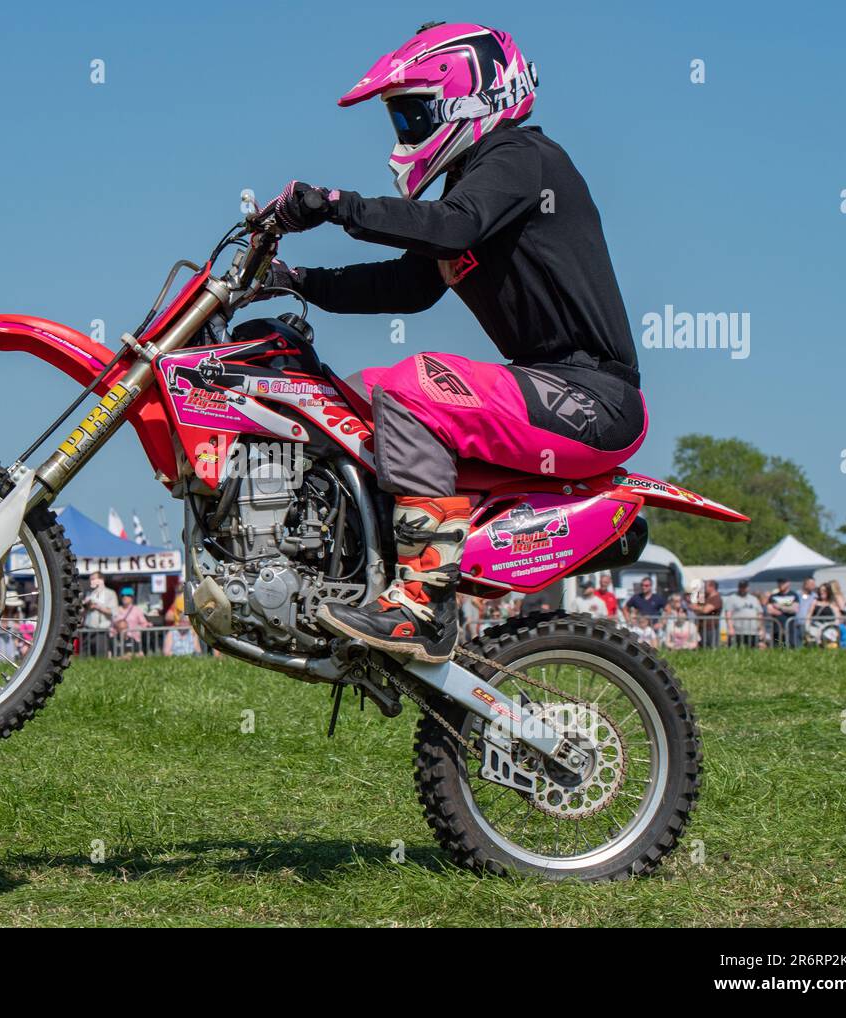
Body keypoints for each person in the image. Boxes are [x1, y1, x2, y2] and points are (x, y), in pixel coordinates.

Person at [255, 22, 644, 664]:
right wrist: (296, 281)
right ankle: (362, 569)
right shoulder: (477, 186)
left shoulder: (521, 156)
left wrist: (334, 203)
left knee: (412, 384)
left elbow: (449, 226)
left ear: (471, 96)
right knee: (356, 394)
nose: (404, 133)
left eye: (414, 113)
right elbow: (409, 284)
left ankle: (422, 602)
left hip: (591, 396)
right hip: (551, 392)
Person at [83, 571, 118, 657]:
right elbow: (83, 611)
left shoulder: (110, 593)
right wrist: (86, 606)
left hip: (102, 630)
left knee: (101, 656)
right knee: (86, 657)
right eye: (90, 579)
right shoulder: (89, 593)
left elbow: (113, 611)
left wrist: (97, 606)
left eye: (93, 579)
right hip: (88, 628)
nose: (91, 581)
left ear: (101, 580)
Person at [111, 587, 150, 656]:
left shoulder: (137, 610)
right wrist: (112, 635)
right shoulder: (116, 610)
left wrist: (146, 625)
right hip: (119, 640)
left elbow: (144, 623)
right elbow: (112, 625)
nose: (125, 597)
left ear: (132, 597)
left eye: (128, 595)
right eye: (122, 595)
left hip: (134, 640)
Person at [724, 580, 762, 648]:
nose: (742, 589)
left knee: (754, 650)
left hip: (752, 631)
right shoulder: (732, 598)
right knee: (737, 650)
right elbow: (728, 614)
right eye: (741, 587)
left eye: (744, 587)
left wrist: (760, 627)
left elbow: (759, 613)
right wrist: (730, 628)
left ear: (748, 588)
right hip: (738, 631)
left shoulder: (754, 599)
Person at [765, 577, 800, 647]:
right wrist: (787, 607)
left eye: (783, 583)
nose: (780, 585)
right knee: (778, 645)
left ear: (788, 583)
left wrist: (778, 606)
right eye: (779, 583)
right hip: (777, 627)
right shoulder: (773, 596)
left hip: (790, 627)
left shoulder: (793, 595)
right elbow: (770, 610)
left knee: (791, 645)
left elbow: (794, 609)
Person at [694, 579, 723, 648]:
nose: (703, 588)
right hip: (702, 627)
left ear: (712, 587)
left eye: (705, 586)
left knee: (711, 647)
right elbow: (695, 606)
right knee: (702, 647)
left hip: (711, 628)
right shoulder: (705, 596)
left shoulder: (716, 598)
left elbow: (705, 610)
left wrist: (698, 608)